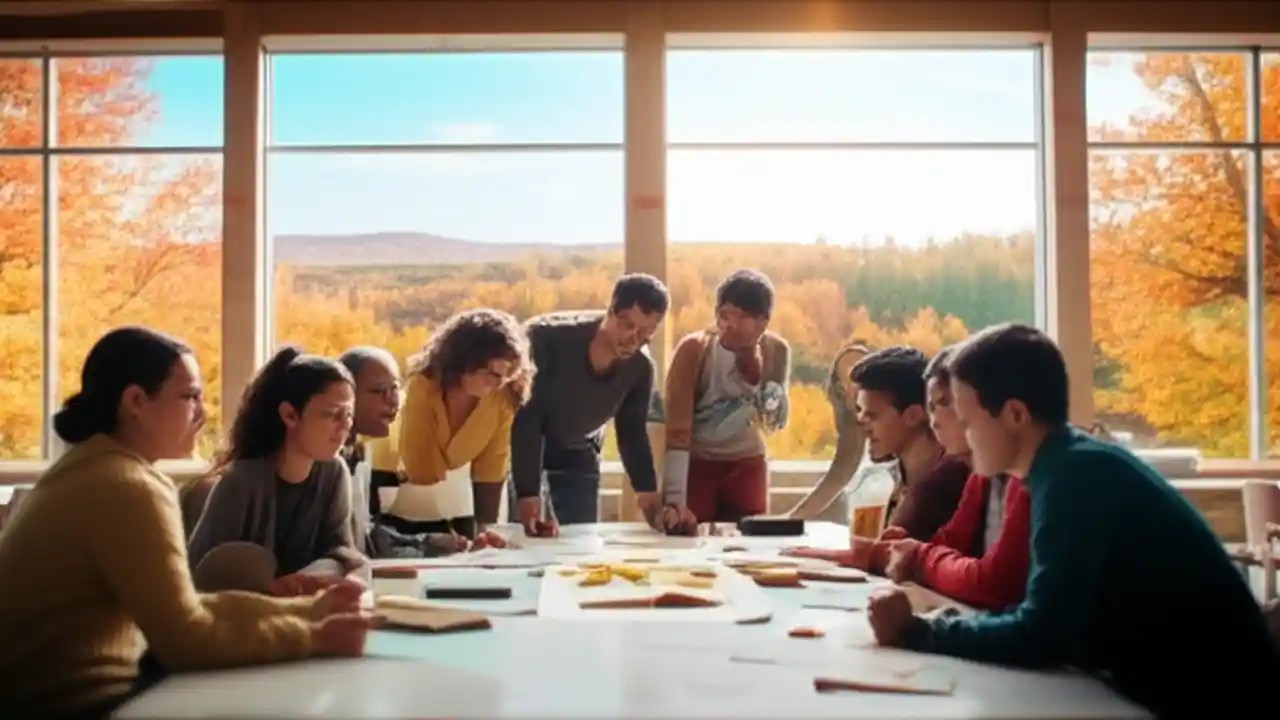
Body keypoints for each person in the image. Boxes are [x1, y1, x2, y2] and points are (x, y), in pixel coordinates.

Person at [866, 323, 1280, 716]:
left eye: (968, 421)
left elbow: (1044, 633)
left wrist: (921, 632)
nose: (962, 437)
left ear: (1014, 414)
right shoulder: (1066, 464)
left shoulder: (1074, 476)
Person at [0, 327, 374, 717]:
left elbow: (186, 608)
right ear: (136, 401)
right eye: (190, 396)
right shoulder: (126, 485)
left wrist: (311, 610)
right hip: (79, 706)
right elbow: (183, 639)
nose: (202, 412)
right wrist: (311, 636)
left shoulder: (96, 468)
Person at [511, 273, 695, 535]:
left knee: (579, 541)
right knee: (526, 538)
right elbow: (527, 418)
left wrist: (650, 499)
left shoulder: (640, 369)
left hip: (579, 452)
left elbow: (632, 434)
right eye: (628, 325)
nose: (634, 340)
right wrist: (527, 494)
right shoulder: (545, 340)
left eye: (646, 333)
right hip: (527, 448)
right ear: (610, 311)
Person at [188, 346, 368, 595]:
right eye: (331, 414)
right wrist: (272, 589)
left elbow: (341, 551)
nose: (344, 426)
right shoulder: (239, 483)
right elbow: (200, 577)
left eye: (348, 414)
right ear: (290, 415)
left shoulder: (334, 472)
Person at [879, 345, 1031, 611]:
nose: (935, 421)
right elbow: (950, 542)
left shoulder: (1026, 471)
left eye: (946, 403)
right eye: (932, 407)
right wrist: (904, 549)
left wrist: (918, 557)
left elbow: (995, 583)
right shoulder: (982, 472)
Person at [378, 309, 531, 547]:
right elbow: (420, 468)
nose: (500, 382)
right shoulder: (423, 385)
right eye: (493, 373)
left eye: (508, 374)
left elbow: (492, 465)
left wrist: (486, 530)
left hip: (456, 508)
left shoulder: (501, 397)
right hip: (400, 505)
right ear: (466, 360)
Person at [663, 269, 790, 523]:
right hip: (699, 462)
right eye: (724, 315)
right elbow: (677, 427)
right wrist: (675, 499)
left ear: (762, 322)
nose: (729, 325)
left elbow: (772, 418)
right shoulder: (694, 350)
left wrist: (750, 360)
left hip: (748, 462)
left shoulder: (776, 350)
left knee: (748, 536)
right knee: (690, 535)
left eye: (742, 318)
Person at [786, 341, 872, 519]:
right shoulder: (853, 431)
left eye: (859, 376)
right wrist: (789, 521)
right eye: (845, 383)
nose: (853, 388)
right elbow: (837, 478)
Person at [336, 345, 403, 553]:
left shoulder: (360, 453)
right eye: (377, 391)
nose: (392, 400)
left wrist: (428, 542)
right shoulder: (324, 465)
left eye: (395, 388)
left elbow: (364, 535)